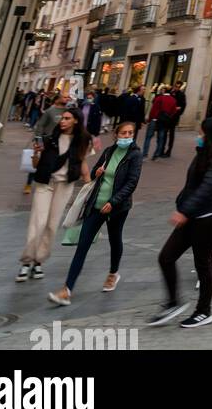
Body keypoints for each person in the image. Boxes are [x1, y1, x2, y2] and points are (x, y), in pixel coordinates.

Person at [151, 117, 212, 328]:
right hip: (191, 215)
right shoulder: (207, 153)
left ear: (208, 134)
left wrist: (184, 211)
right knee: (166, 257)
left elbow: (207, 186)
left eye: (201, 133)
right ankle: (173, 302)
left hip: (206, 218)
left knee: (203, 264)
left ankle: (203, 311)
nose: (198, 136)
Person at [48, 120, 143, 305]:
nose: (127, 136)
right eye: (123, 133)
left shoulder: (135, 155)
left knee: (115, 240)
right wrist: (97, 172)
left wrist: (113, 202)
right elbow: (92, 174)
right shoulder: (109, 151)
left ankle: (113, 273)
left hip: (117, 208)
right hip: (96, 205)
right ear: (116, 134)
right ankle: (67, 290)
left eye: (130, 133)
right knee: (82, 245)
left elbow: (131, 183)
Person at [17, 107, 91, 282]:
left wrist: (89, 186)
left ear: (76, 121)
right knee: (38, 222)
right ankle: (26, 262)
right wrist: (36, 152)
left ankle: (38, 262)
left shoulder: (83, 141)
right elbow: (35, 165)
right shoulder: (50, 140)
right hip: (45, 184)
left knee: (51, 225)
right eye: (62, 118)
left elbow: (83, 163)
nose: (62, 121)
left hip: (64, 186)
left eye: (67, 118)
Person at [147, 86, 179, 160]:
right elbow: (174, 111)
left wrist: (150, 119)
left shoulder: (159, 98)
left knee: (148, 137)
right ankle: (157, 153)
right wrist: (168, 117)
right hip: (165, 121)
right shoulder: (173, 100)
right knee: (161, 138)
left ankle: (145, 153)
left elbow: (153, 109)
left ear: (164, 91)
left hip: (156, 119)